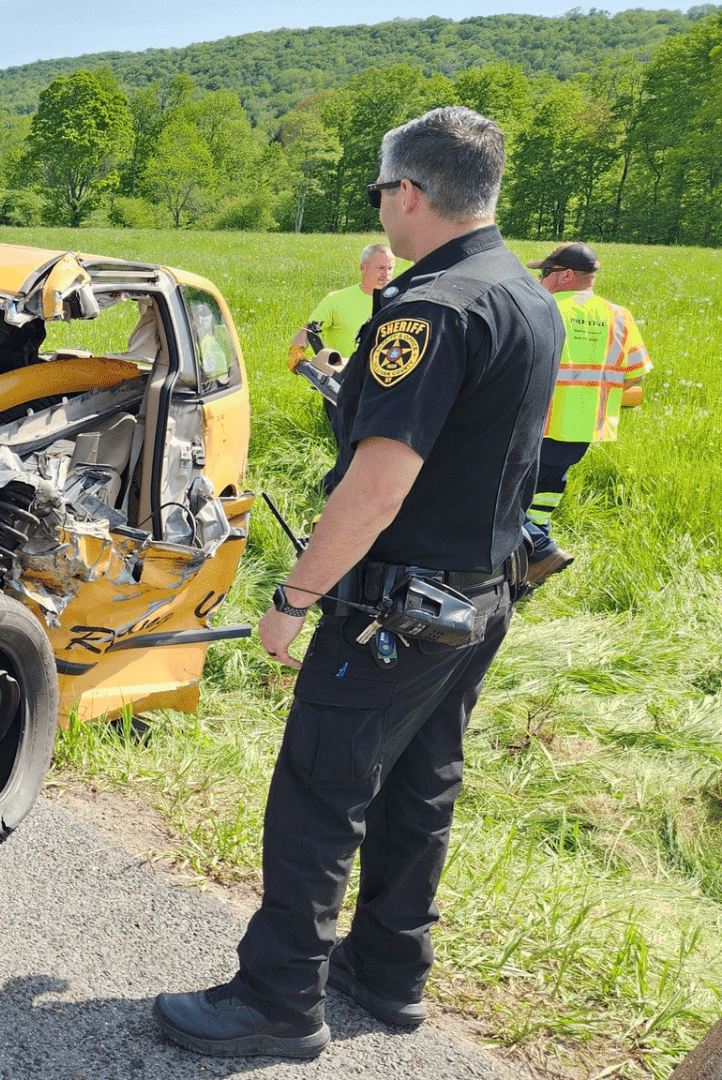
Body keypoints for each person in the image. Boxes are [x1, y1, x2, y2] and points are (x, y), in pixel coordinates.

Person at [151, 106, 563, 1058]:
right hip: (478, 593)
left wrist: (292, 601)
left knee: (319, 793)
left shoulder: (428, 310)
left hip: (396, 606)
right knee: (421, 786)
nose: (380, 205)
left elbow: (377, 490)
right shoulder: (523, 293)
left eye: (380, 191)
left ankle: (278, 1002)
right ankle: (386, 973)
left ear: (408, 194)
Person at [519, 242, 650, 586]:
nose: (540, 279)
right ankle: (529, 570)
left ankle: (542, 551)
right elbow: (634, 373)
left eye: (544, 273)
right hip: (582, 426)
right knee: (544, 497)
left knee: (500, 497)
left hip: (538, 424)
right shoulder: (618, 315)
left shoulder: (541, 307)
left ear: (564, 275)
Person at [288, 243, 396, 368]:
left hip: (387, 374)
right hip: (344, 375)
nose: (386, 273)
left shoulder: (400, 300)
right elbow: (309, 330)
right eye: (380, 268)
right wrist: (297, 350)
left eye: (390, 268)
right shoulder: (336, 300)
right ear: (363, 268)